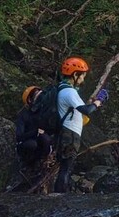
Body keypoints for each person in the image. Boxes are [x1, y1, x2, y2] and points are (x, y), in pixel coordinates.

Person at [54, 56, 108, 194]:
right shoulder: (69, 92)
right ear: (75, 75)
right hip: (70, 134)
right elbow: (86, 110)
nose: (83, 80)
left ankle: (60, 194)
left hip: (67, 132)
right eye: (82, 76)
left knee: (66, 167)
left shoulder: (63, 89)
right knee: (66, 168)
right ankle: (59, 198)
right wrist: (99, 101)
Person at [15, 86, 52, 177]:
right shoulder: (23, 115)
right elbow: (19, 136)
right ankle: (27, 164)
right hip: (27, 143)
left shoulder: (44, 112)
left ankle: (41, 162)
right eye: (35, 95)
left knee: (46, 139)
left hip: (41, 143)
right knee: (32, 144)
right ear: (30, 101)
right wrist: (35, 132)